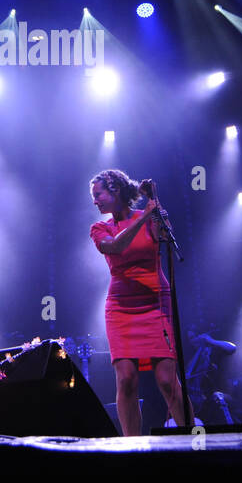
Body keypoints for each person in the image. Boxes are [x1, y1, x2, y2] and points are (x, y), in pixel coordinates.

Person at [89, 168, 188, 435]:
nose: (95, 200)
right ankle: (132, 448)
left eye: (98, 194)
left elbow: (165, 235)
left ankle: (195, 444)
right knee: (127, 379)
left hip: (156, 302)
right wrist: (143, 216)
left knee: (168, 381)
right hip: (121, 307)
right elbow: (116, 247)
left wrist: (154, 201)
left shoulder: (148, 217)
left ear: (115, 190)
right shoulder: (100, 228)